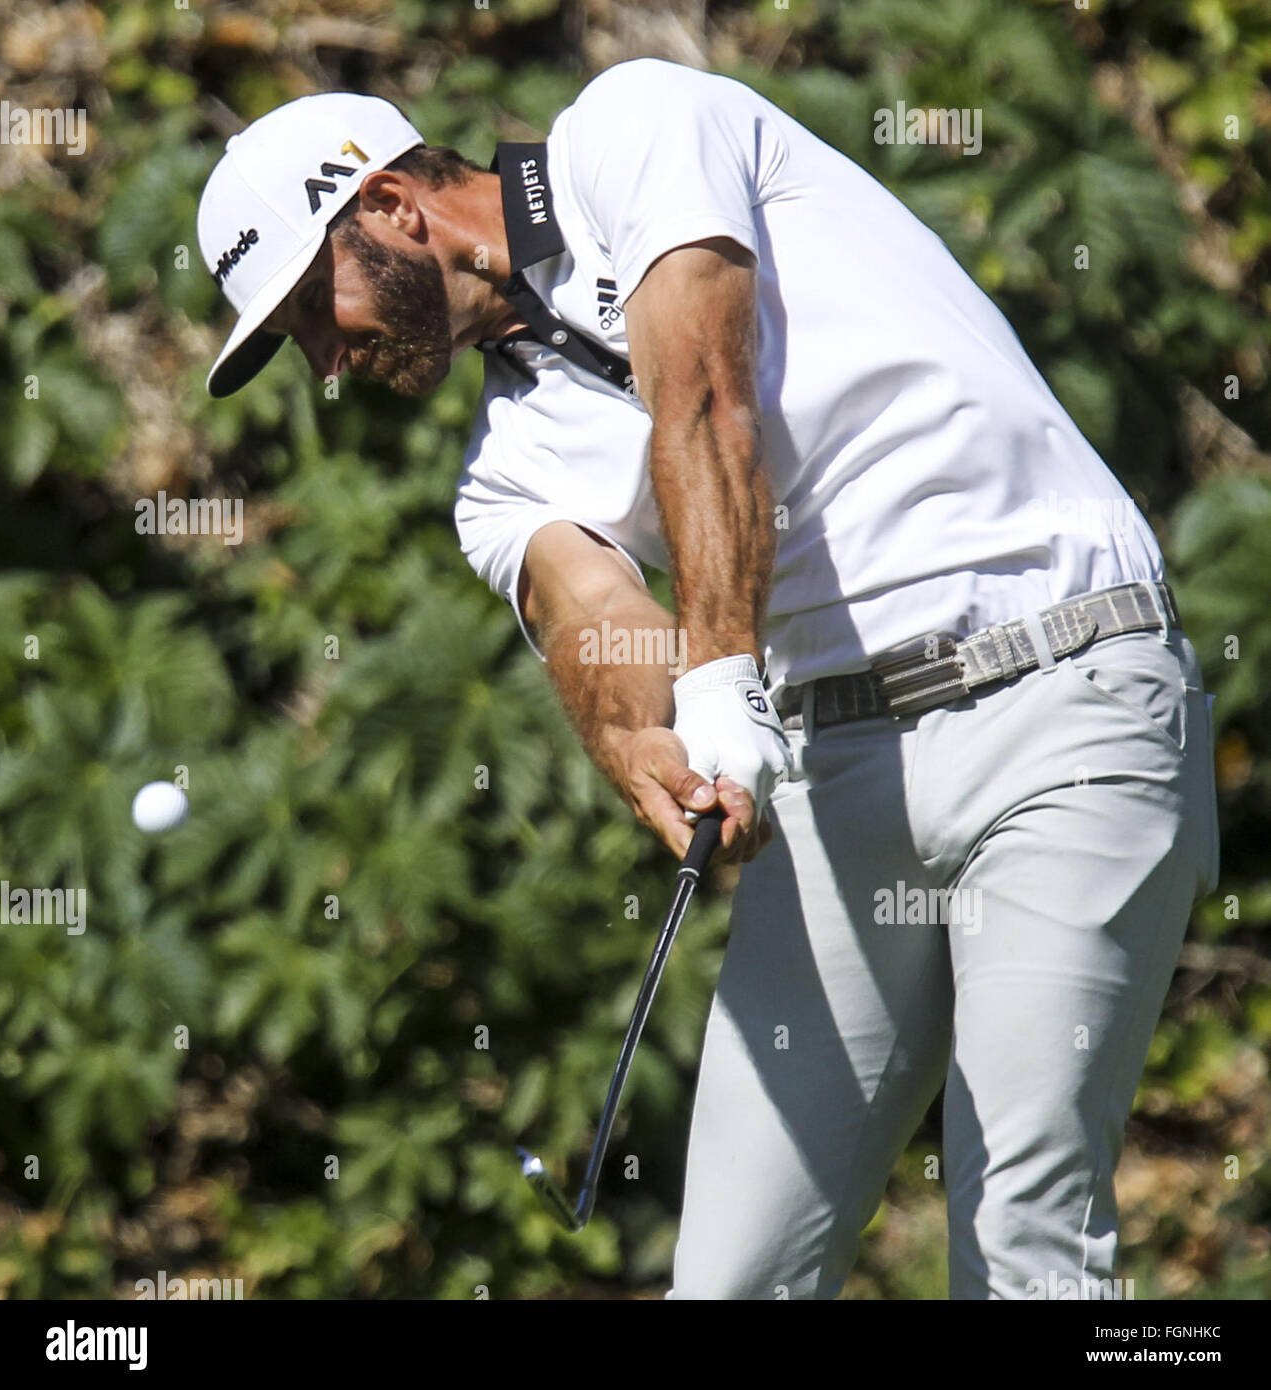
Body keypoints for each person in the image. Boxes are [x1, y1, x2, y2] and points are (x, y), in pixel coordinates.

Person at [196, 57, 1221, 1299]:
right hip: (838, 780)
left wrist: (721, 668)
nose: (323, 363)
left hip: (1064, 687)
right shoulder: (501, 473)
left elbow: (707, 399)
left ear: (393, 210)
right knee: (729, 1279)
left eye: (314, 311)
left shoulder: (634, 127)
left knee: (1023, 1233)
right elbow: (593, 619)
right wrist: (659, 752)